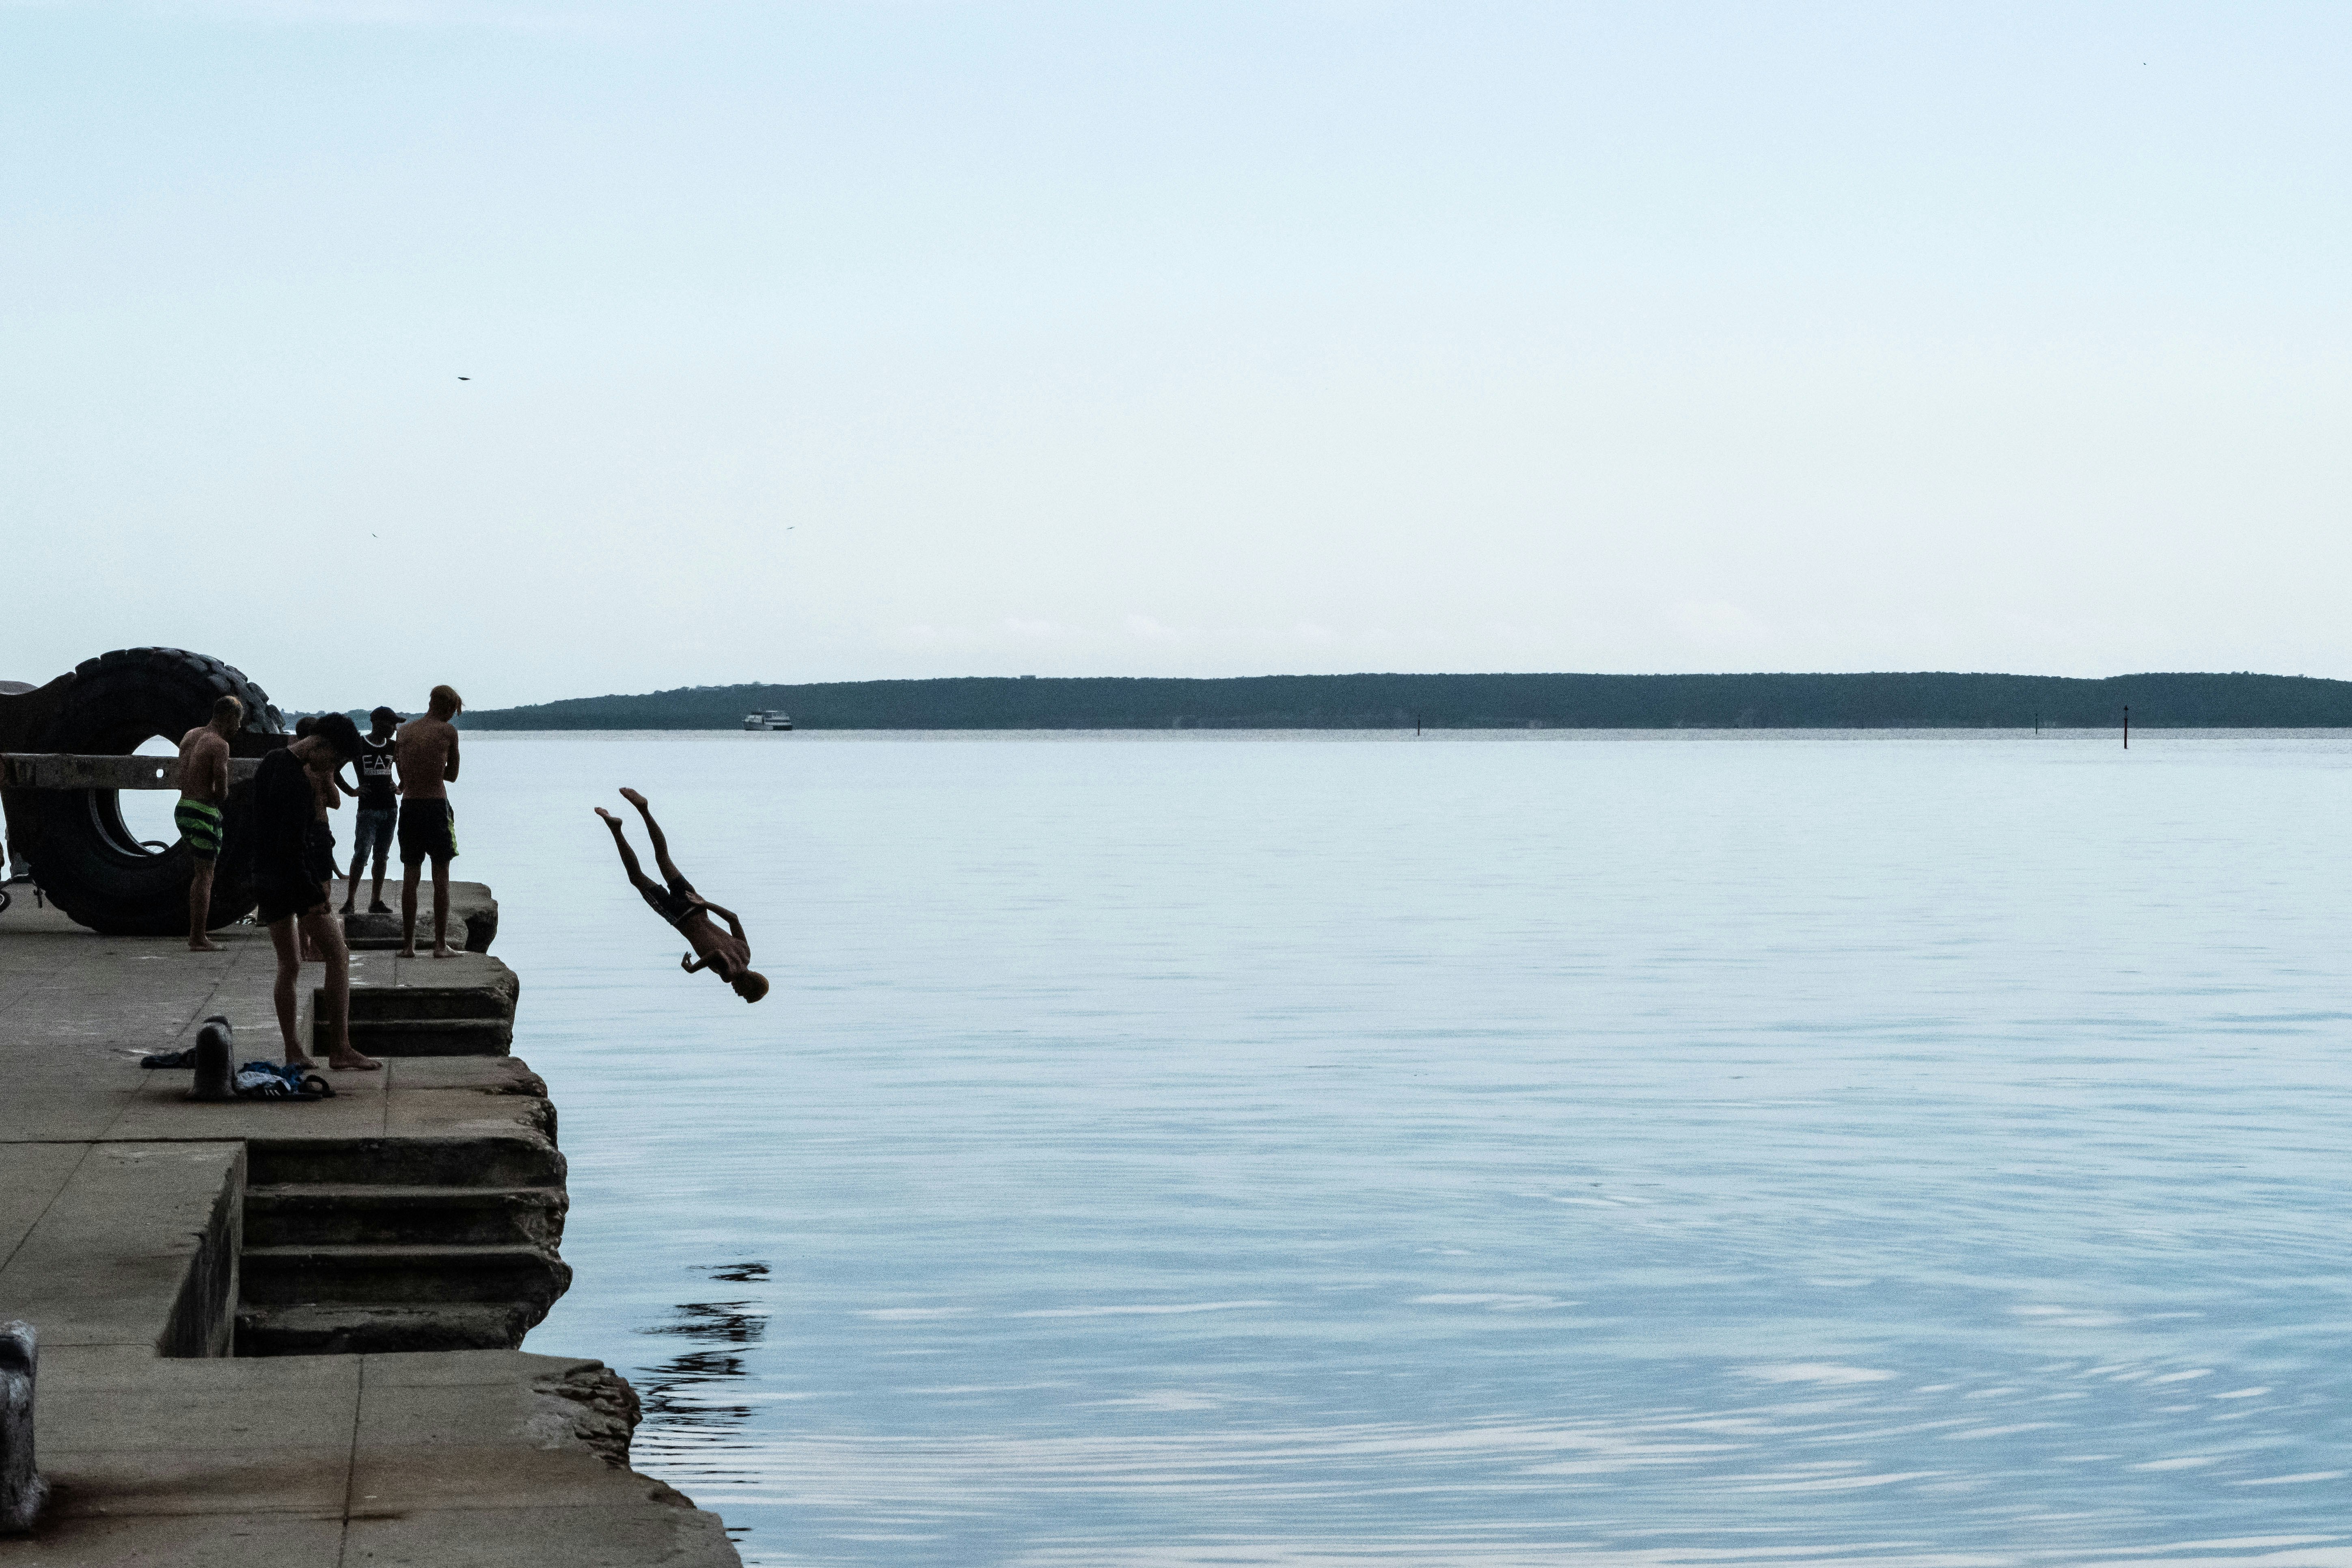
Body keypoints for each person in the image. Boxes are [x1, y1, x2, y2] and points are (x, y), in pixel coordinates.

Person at [251, 715, 379, 1070]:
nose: (332, 769)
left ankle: (294, 1051)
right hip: (292, 880)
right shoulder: (297, 781)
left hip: (266, 875)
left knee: (289, 964)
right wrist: (314, 894)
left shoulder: (271, 761)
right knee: (338, 953)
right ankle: (340, 1048)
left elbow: (260, 826)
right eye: (335, 760)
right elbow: (295, 846)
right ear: (322, 745)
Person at [595, 788, 769, 1003]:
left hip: (697, 906)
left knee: (664, 859)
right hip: (679, 917)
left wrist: (705, 903)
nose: (738, 993)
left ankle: (644, 809)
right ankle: (615, 829)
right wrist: (693, 969)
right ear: (749, 985)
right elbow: (717, 954)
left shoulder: (746, 952)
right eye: (743, 994)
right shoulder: (730, 974)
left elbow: (733, 918)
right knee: (637, 878)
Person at [396, 684, 464, 959]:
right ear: (447, 707)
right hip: (436, 805)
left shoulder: (404, 732)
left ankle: (408, 946)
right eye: (454, 711)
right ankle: (440, 945)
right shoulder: (448, 732)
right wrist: (436, 768)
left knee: (410, 877)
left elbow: (402, 772)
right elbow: (453, 775)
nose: (453, 716)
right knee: (441, 877)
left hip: (410, 806)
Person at [174, 695, 241, 951]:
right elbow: (222, 791)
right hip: (202, 811)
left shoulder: (191, 735)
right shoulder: (220, 744)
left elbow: (183, 775)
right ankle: (198, 938)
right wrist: (221, 796)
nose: (238, 727)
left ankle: (197, 935)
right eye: (238, 721)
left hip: (183, 807)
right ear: (228, 717)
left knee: (200, 873)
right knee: (205, 876)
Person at [341, 707, 401, 916]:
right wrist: (352, 791)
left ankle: (376, 901)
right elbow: (335, 769)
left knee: (382, 856)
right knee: (361, 855)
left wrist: (400, 787)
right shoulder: (359, 745)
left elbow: (407, 766)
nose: (394, 728)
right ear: (378, 723)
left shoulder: (393, 746)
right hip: (367, 810)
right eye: (392, 724)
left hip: (390, 809)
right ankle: (350, 901)